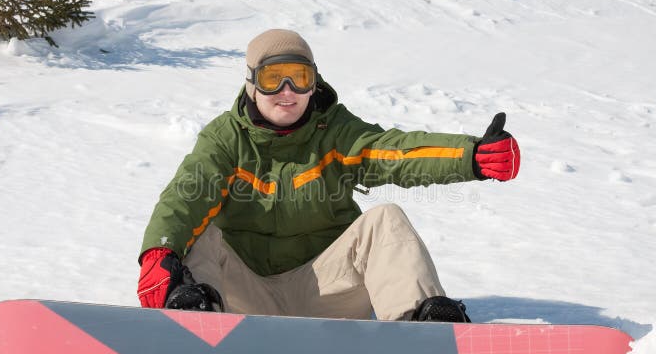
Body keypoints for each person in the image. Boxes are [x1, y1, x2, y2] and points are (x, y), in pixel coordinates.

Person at [137, 29, 520, 322]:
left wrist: (471, 156)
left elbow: (396, 152)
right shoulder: (225, 139)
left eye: (299, 77)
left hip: (327, 291)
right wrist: (160, 251)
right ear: (252, 83)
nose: (287, 92)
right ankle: (194, 324)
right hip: (244, 296)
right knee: (199, 234)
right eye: (274, 79)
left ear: (314, 82)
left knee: (385, 219)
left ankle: (422, 329)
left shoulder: (334, 130)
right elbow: (187, 193)